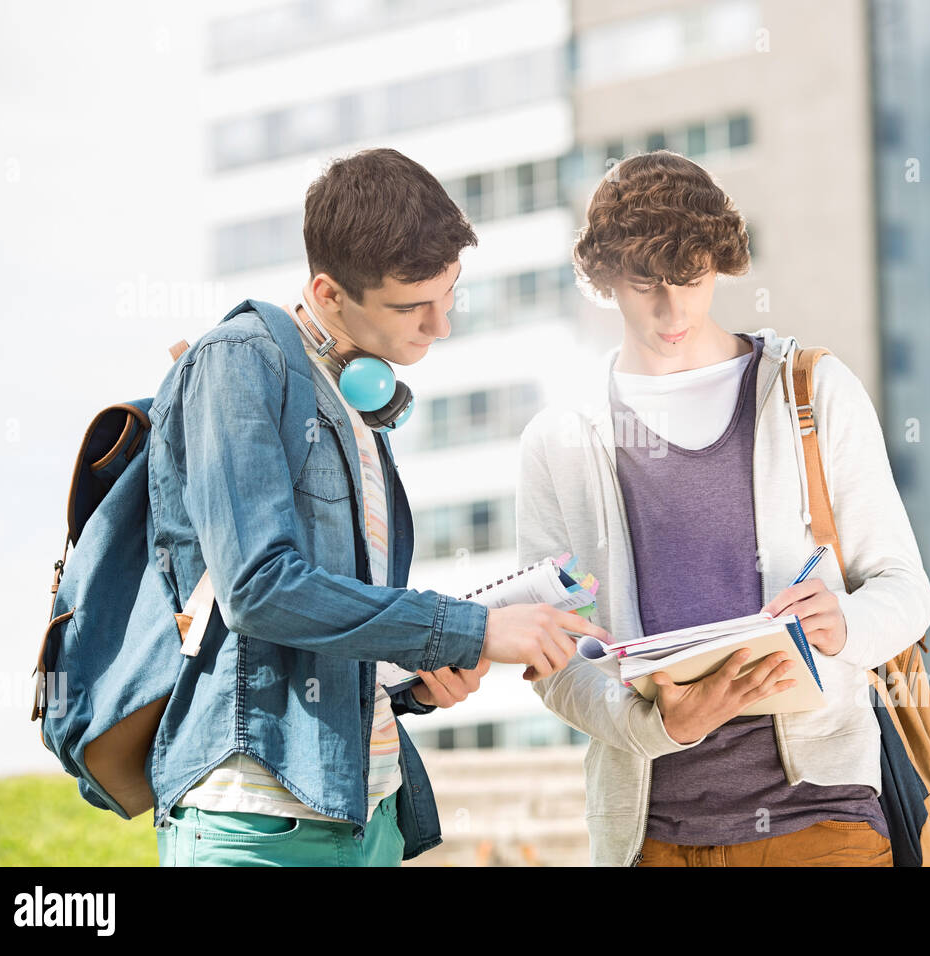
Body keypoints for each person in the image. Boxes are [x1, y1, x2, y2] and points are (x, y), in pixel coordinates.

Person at [148, 147, 608, 866]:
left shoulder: (359, 400)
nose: (439, 326)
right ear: (329, 294)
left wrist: (422, 677)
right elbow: (259, 590)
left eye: (449, 294)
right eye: (411, 306)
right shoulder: (237, 363)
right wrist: (471, 627)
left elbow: (337, 622)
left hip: (373, 813)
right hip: (262, 823)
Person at [514, 151, 930, 867]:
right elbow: (556, 658)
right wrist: (659, 726)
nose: (673, 309)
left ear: (722, 260)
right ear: (607, 275)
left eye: (693, 278)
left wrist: (845, 623)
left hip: (821, 823)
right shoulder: (559, 440)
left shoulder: (812, 392)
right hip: (649, 840)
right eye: (646, 283)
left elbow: (906, 589)